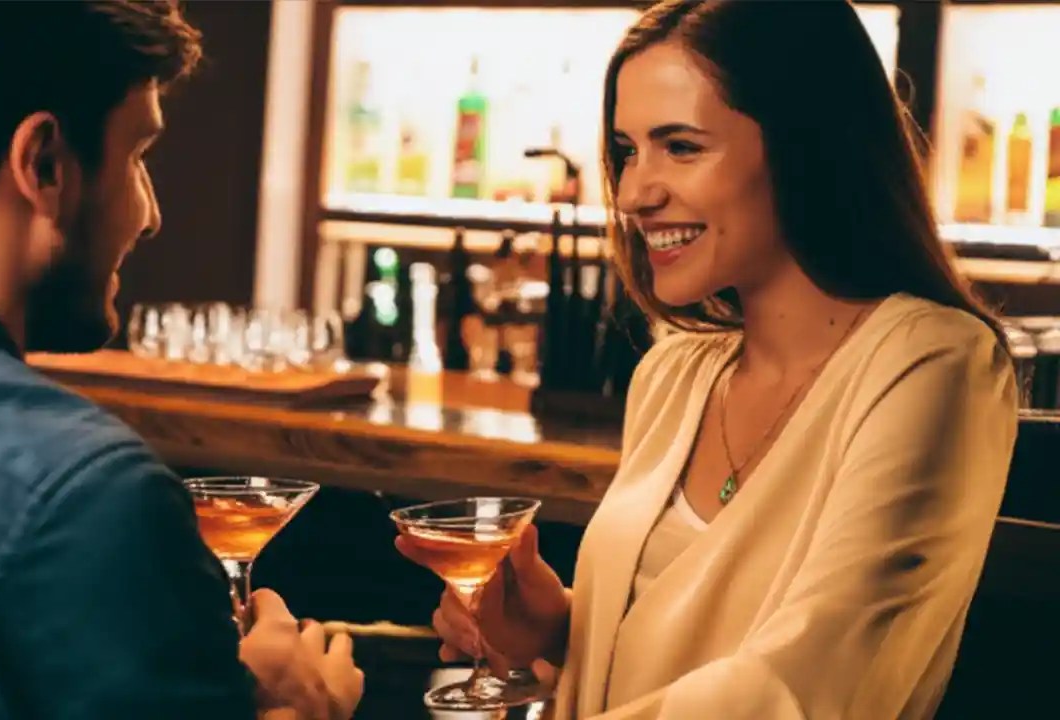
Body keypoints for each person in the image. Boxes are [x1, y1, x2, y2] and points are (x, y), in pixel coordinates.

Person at [401, 1, 1018, 717]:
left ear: (806, 147)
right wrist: (560, 631)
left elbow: (803, 687)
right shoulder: (674, 373)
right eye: (628, 150)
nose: (635, 192)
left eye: (682, 146)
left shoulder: (935, 365)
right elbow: (687, 649)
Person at [0, 3, 362, 719]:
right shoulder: (86, 495)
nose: (149, 214)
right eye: (138, 156)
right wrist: (307, 709)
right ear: (45, 164)